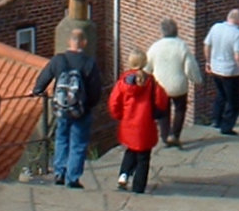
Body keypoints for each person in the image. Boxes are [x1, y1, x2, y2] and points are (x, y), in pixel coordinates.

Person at [31, 28, 102, 189]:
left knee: (61, 139)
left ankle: (59, 173)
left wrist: (36, 90)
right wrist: (88, 106)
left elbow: (45, 77)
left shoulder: (59, 60)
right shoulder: (89, 63)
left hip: (62, 109)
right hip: (81, 111)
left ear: (69, 42)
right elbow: (95, 90)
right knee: (78, 143)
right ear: (84, 43)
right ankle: (73, 178)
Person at [108, 50, 169, 193]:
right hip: (145, 124)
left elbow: (114, 102)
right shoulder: (151, 81)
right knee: (143, 158)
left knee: (130, 150)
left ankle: (123, 176)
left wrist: (119, 115)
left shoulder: (123, 81)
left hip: (128, 123)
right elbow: (161, 101)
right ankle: (138, 187)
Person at [143, 18, 202, 147]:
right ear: (177, 31)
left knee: (164, 111)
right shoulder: (182, 46)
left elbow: (147, 68)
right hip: (179, 85)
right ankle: (175, 134)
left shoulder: (155, 47)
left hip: (161, 86)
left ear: (162, 31)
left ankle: (165, 137)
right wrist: (197, 80)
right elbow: (190, 67)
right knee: (180, 109)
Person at [203, 8, 239, 135]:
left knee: (221, 95)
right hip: (230, 71)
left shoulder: (216, 27)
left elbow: (207, 45)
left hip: (215, 68)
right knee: (233, 101)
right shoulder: (238, 34)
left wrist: (208, 62)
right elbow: (238, 55)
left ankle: (216, 120)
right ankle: (226, 127)